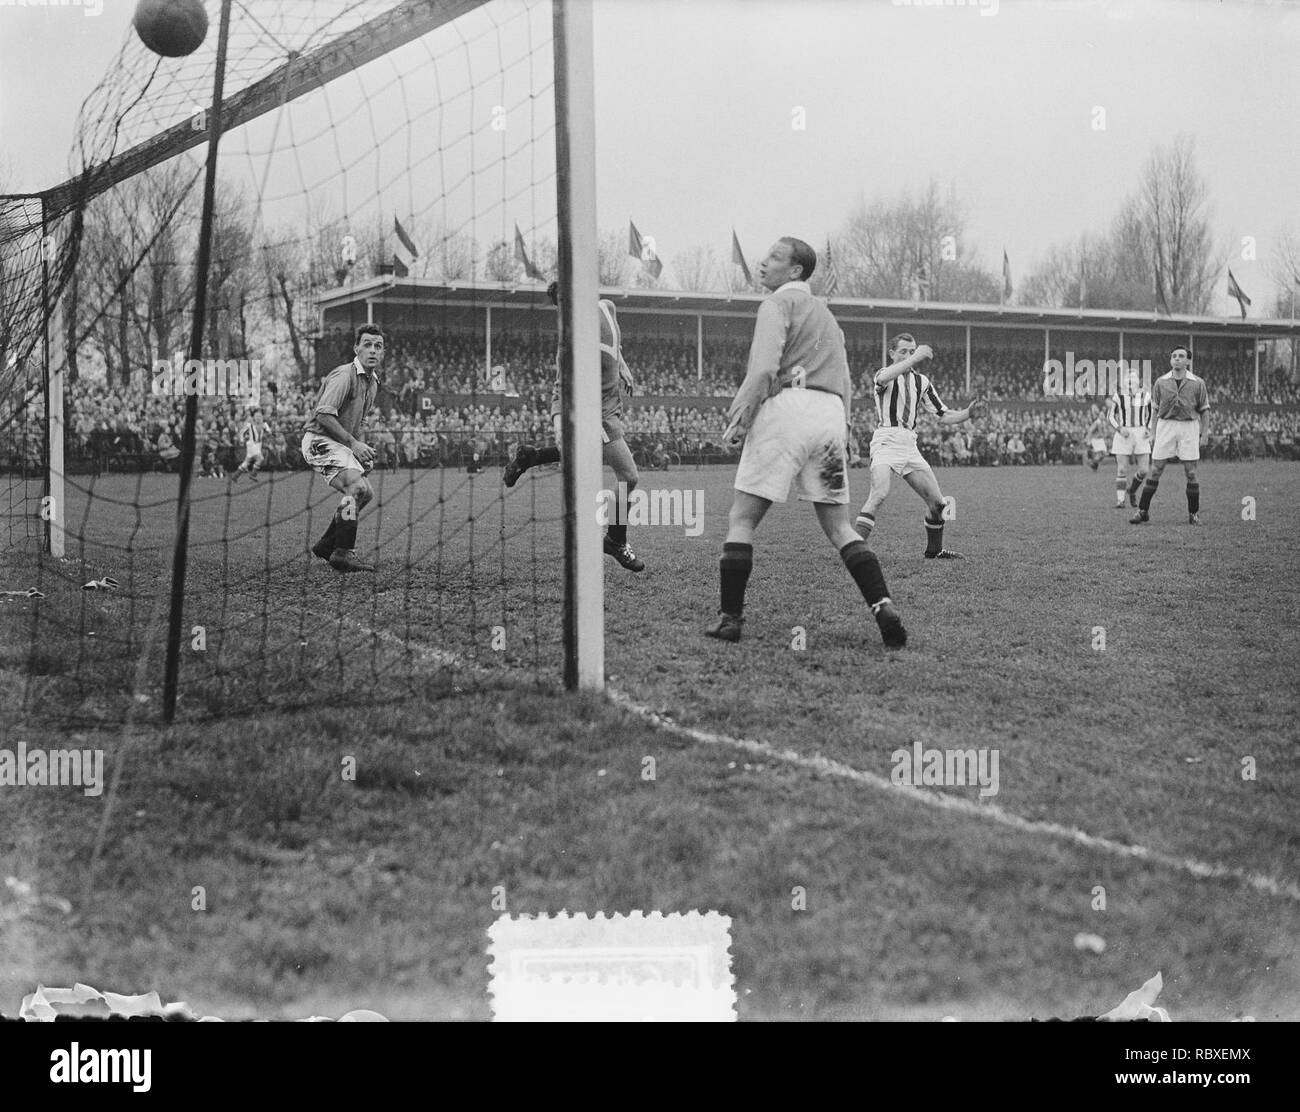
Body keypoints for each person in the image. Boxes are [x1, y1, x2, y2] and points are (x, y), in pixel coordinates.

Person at [707, 236, 905, 648]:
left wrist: (740, 417)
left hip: (787, 411)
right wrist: (845, 431)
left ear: (795, 270)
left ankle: (730, 619)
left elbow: (763, 370)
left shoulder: (777, 304)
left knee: (742, 519)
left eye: (774, 257)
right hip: (830, 415)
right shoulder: (828, 317)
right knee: (839, 527)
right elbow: (848, 382)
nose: (764, 263)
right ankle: (883, 606)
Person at [502, 280, 644, 572]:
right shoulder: (570, 342)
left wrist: (623, 366)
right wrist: (557, 423)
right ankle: (616, 539)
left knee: (582, 454)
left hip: (611, 406)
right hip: (597, 413)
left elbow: (615, 344)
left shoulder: (607, 308)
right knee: (628, 477)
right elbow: (558, 390)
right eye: (562, 305)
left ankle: (532, 456)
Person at [853, 333, 986, 559]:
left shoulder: (921, 382)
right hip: (886, 440)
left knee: (938, 504)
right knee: (879, 494)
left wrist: (968, 413)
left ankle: (934, 551)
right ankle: (853, 551)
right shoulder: (883, 374)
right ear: (892, 353)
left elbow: (943, 414)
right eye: (903, 351)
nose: (908, 354)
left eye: (911, 350)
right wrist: (914, 359)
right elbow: (886, 376)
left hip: (909, 444)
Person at [301, 324, 383, 572]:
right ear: (356, 348)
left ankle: (327, 544)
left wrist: (361, 449)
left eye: (377, 346)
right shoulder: (343, 375)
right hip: (318, 441)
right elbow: (324, 415)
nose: (372, 350)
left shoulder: (373, 382)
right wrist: (353, 444)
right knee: (356, 487)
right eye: (367, 344)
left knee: (364, 493)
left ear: (383, 353)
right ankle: (343, 552)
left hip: (339, 443)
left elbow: (361, 421)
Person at [1131, 346, 1210, 526]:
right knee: (1156, 469)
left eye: (1181, 356)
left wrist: (1204, 434)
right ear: (1170, 360)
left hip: (1189, 427)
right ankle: (1142, 511)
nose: (1177, 359)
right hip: (1166, 426)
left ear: (1188, 361)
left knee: (1190, 472)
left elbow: (1205, 411)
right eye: (1174, 356)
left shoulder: (1198, 383)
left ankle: (1193, 513)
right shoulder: (1160, 382)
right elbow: (1155, 410)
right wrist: (1152, 432)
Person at [1107, 367, 1153, 508]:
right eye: (1128, 379)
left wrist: (1149, 428)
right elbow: (1110, 416)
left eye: (1133, 378)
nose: (1130, 381)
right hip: (1124, 433)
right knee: (1122, 469)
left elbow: (1152, 414)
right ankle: (1120, 501)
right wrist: (1120, 429)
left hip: (1141, 433)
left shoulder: (1145, 396)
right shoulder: (1118, 396)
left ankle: (1132, 490)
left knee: (1144, 470)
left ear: (1138, 381)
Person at [231, 408, 270, 482]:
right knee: (260, 459)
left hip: (258, 445)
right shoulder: (250, 425)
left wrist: (266, 433)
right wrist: (242, 440)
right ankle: (252, 475)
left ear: (262, 417)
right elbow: (242, 432)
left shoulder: (264, 424)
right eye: (257, 416)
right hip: (251, 444)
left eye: (260, 416)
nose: (258, 418)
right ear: (254, 417)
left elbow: (269, 432)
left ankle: (235, 476)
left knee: (246, 462)